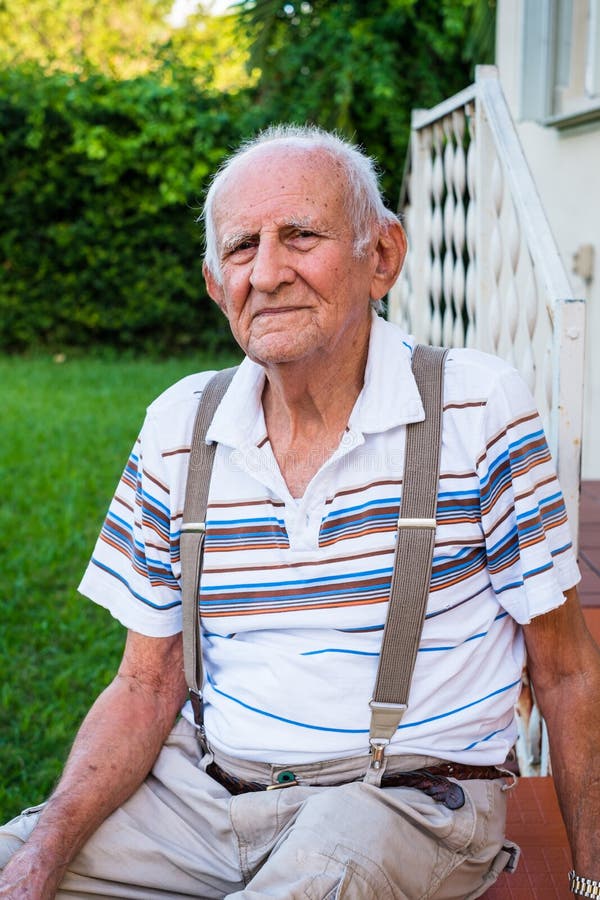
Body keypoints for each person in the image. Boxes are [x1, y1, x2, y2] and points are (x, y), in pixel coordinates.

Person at [0, 124, 598, 900]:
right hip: (206, 795)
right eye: (242, 247)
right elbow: (146, 686)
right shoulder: (180, 426)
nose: (269, 272)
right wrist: (42, 854)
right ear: (217, 285)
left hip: (407, 802)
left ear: (380, 257)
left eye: (301, 236)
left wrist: (589, 879)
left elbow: (566, 666)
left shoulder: (477, 407)